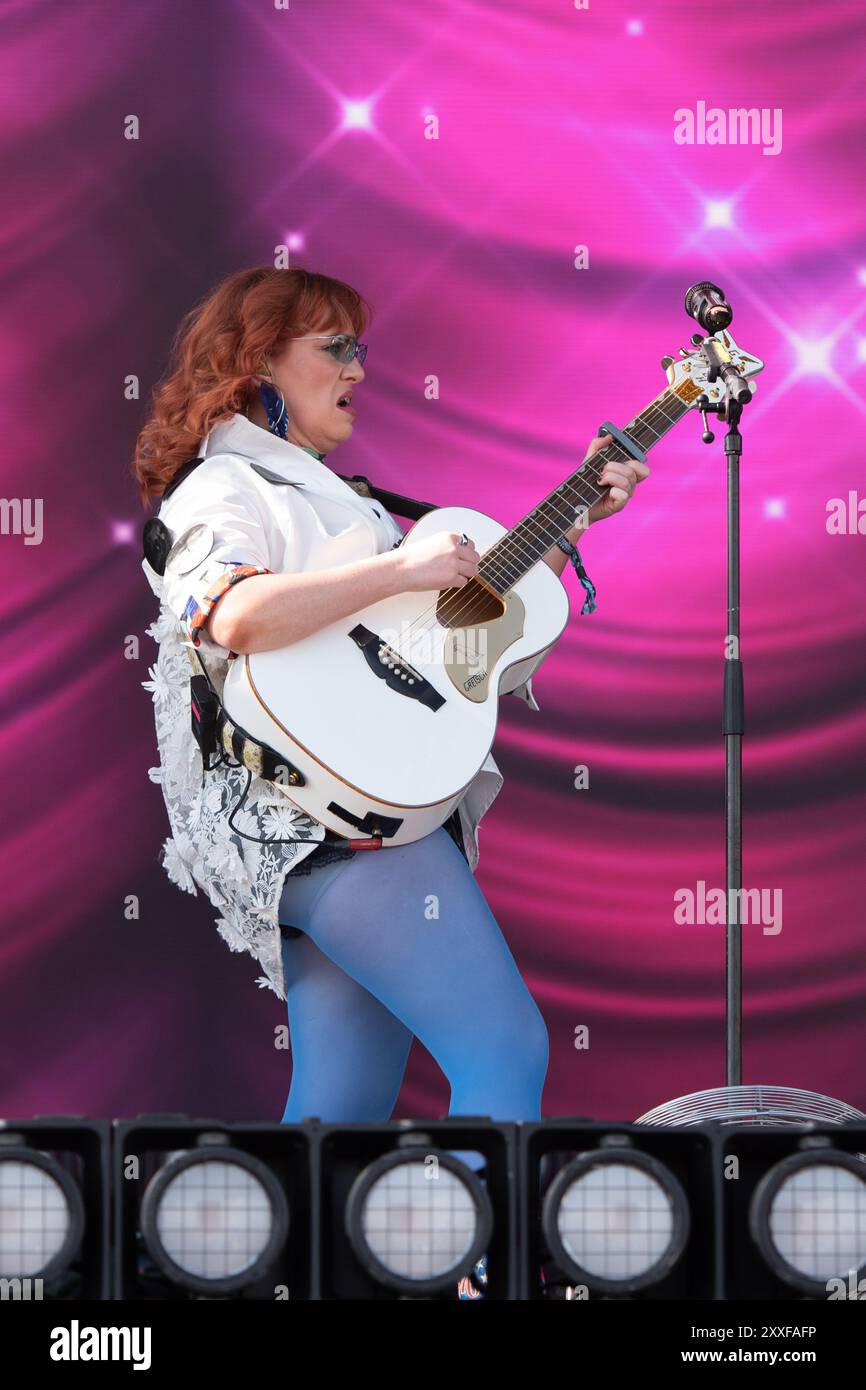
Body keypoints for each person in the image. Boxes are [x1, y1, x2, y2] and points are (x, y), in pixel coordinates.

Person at [134, 264, 649, 1140]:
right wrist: (401, 567)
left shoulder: (329, 500)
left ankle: (295, 1274)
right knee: (504, 1049)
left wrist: (570, 526)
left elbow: (464, 644)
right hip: (328, 820)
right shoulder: (226, 487)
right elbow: (230, 613)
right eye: (338, 348)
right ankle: (480, 1270)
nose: (360, 371)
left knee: (343, 1104)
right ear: (259, 361)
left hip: (322, 827)